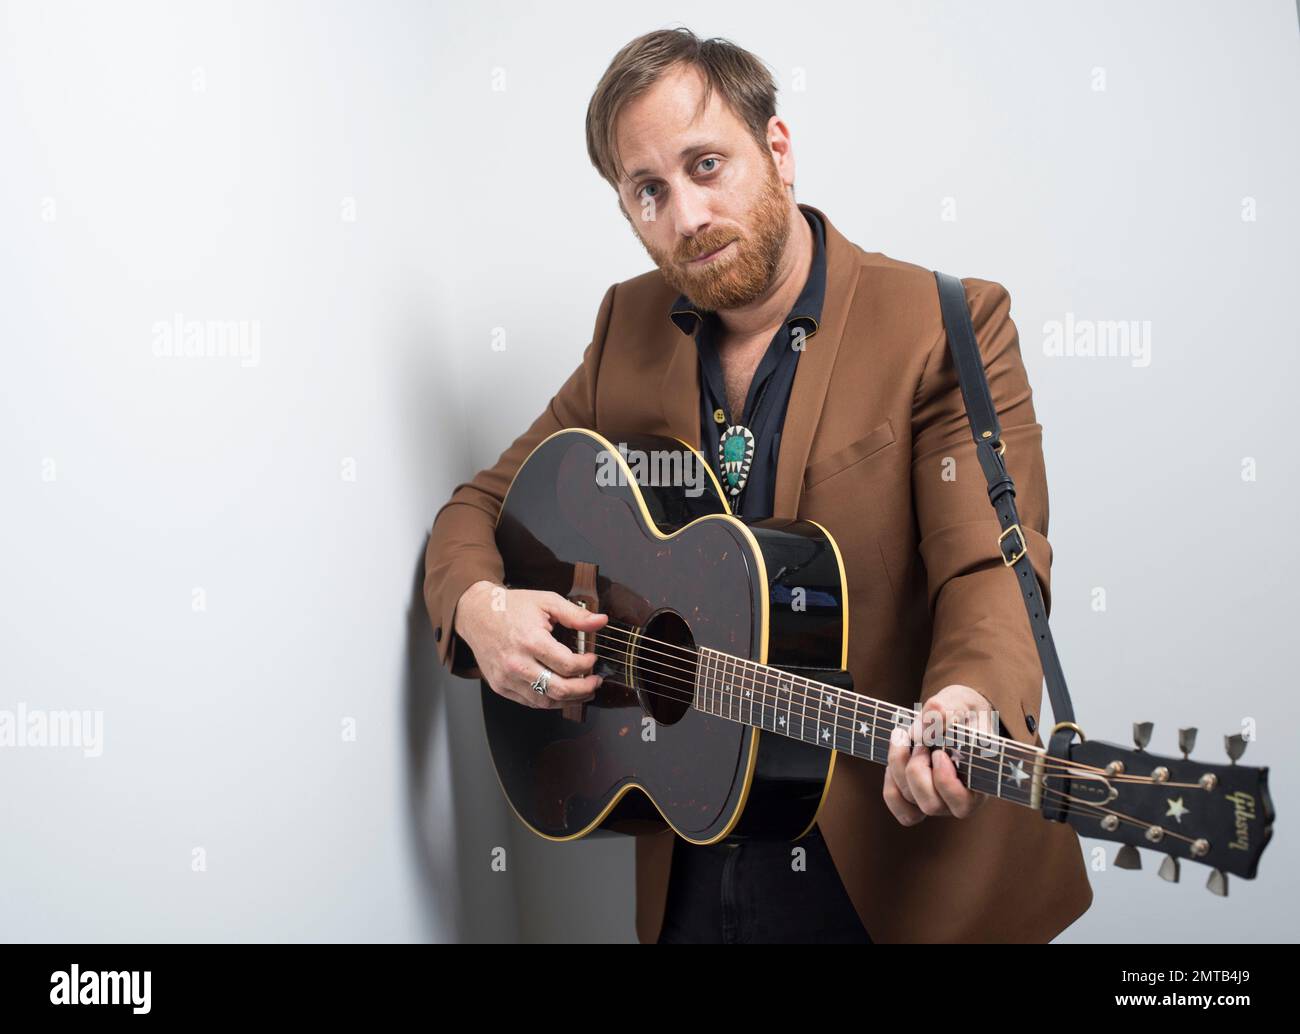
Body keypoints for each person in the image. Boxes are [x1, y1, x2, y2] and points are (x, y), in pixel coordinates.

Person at [424, 27, 1093, 944]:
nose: (687, 216)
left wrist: (967, 699)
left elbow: (987, 566)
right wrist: (481, 607)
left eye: (707, 165)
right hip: (694, 862)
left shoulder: (945, 324)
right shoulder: (628, 325)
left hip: (895, 873)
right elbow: (478, 506)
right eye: (647, 190)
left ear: (777, 149)